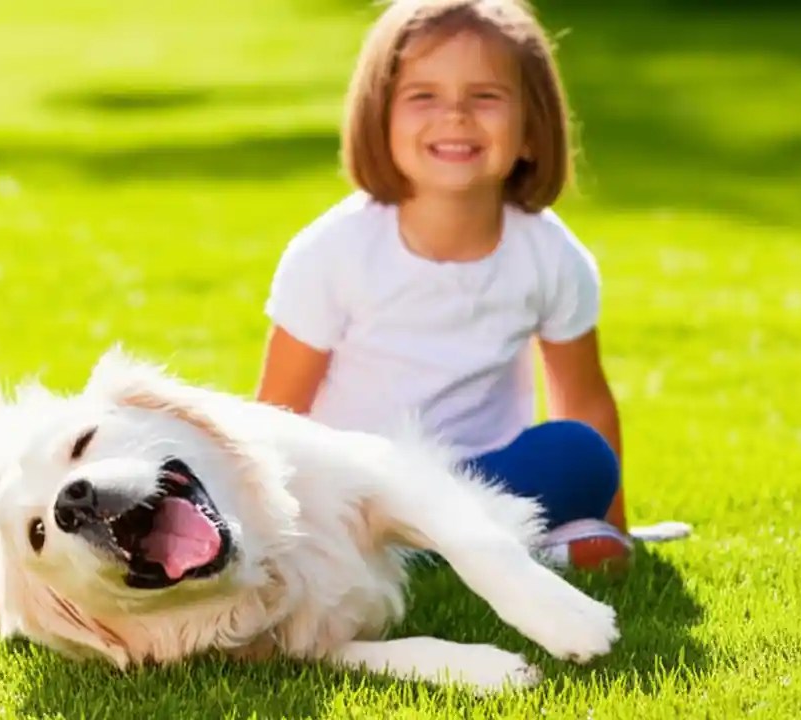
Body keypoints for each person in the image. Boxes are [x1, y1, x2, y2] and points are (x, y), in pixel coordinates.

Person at [255, 0, 632, 570]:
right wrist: (270, 537)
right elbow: (278, 413)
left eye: (485, 97)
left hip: (485, 477)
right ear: (379, 121)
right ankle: (490, 550)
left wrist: (613, 525)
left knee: (579, 455)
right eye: (423, 96)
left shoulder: (549, 253)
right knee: (346, 503)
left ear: (531, 131)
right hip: (366, 494)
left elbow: (582, 399)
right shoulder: (332, 252)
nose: (455, 115)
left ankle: (458, 550)